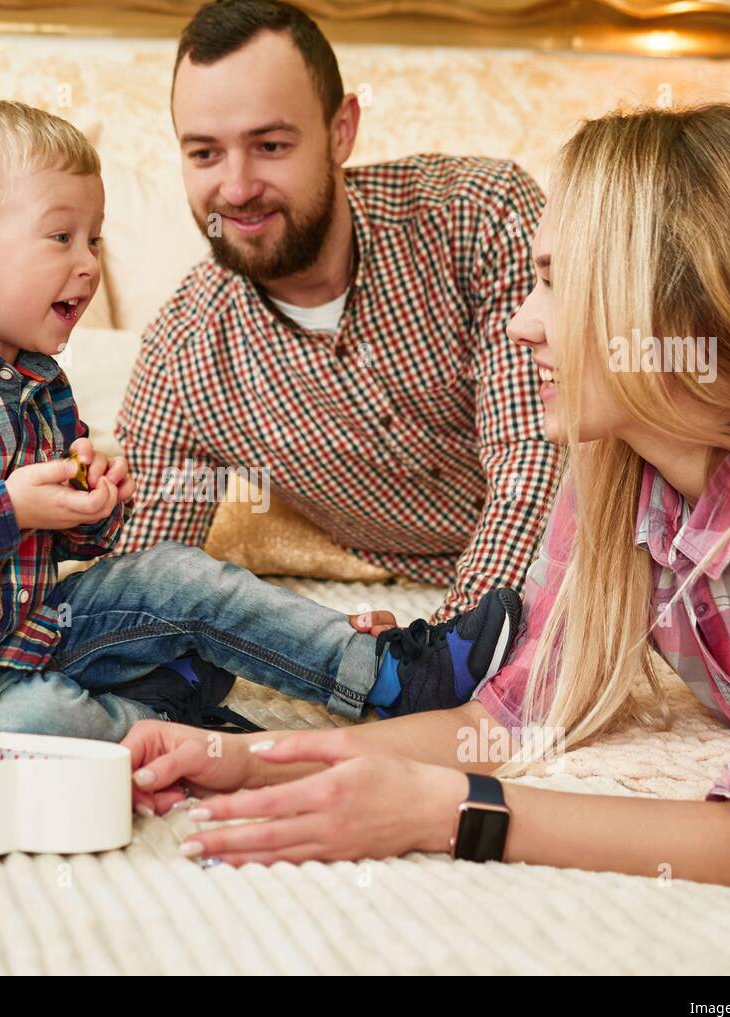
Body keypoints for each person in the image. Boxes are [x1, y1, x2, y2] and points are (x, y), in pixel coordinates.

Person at [126, 102, 730, 889]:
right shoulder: (617, 460)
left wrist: (443, 812)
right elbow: (506, 718)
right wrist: (243, 761)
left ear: (672, 301)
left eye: (553, 282)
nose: (522, 324)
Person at [0, 95, 523, 747]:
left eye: (97, 240)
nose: (87, 264)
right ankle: (176, 723)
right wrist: (9, 508)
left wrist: (93, 510)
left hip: (27, 636)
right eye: (61, 238)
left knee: (175, 575)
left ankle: (390, 673)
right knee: (37, 722)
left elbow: (56, 552)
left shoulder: (38, 385)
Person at [113, 0, 562, 621]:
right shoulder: (183, 353)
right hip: (417, 573)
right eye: (205, 154)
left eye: (269, 144)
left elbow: (534, 452)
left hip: (616, 553)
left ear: (342, 130)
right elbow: (145, 581)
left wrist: (449, 645)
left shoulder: (479, 215)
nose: (237, 189)